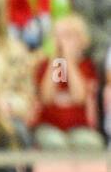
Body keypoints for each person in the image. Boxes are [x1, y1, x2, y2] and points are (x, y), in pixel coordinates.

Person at [31, 14, 104, 148]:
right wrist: (55, 59)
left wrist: (69, 61)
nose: (61, 41)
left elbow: (79, 97)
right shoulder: (46, 66)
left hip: (78, 126)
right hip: (49, 126)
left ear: (82, 40)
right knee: (55, 143)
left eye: (68, 36)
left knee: (92, 143)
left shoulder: (87, 66)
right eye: (57, 36)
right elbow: (47, 97)